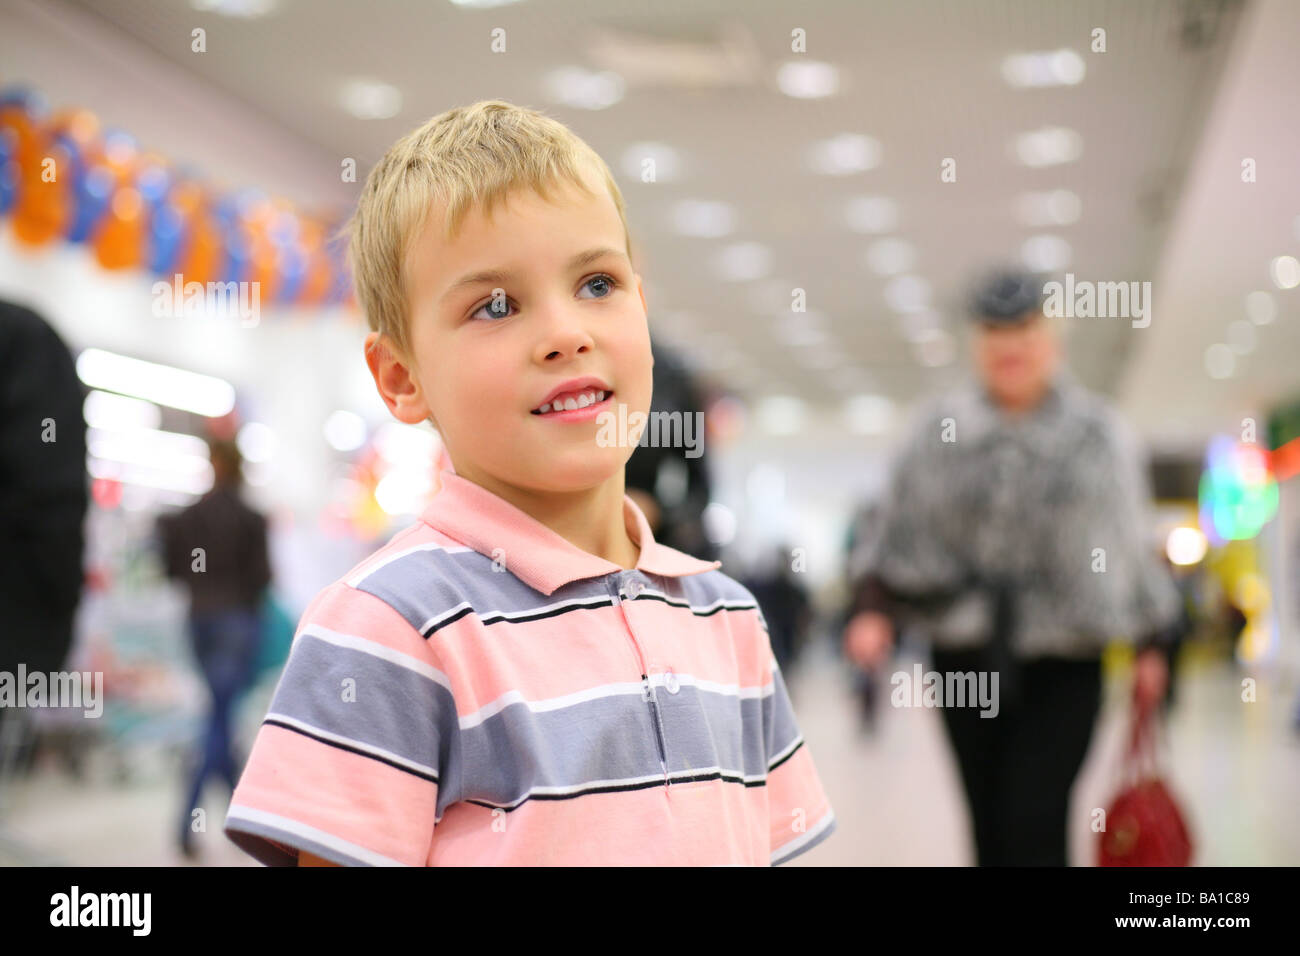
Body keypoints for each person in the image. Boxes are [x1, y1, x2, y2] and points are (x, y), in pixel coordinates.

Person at [222, 101, 835, 866]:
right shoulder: (387, 629)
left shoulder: (726, 618)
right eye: (496, 305)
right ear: (402, 376)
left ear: (643, 313)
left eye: (598, 283)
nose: (565, 333)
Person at [844, 269, 1178, 866]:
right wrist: (874, 608)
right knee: (988, 820)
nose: (1010, 345)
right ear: (976, 342)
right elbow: (895, 530)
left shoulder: (1098, 434)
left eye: (1025, 328)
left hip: (1068, 660)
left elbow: (1130, 540)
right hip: (964, 654)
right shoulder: (934, 431)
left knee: (1037, 818)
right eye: (994, 330)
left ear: (1053, 337)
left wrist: (1155, 639)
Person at [157, 437, 271, 858]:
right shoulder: (251, 519)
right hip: (237, 622)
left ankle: (243, 812)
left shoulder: (186, 518)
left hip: (199, 621)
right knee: (219, 717)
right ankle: (193, 821)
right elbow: (263, 579)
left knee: (217, 715)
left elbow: (171, 570)